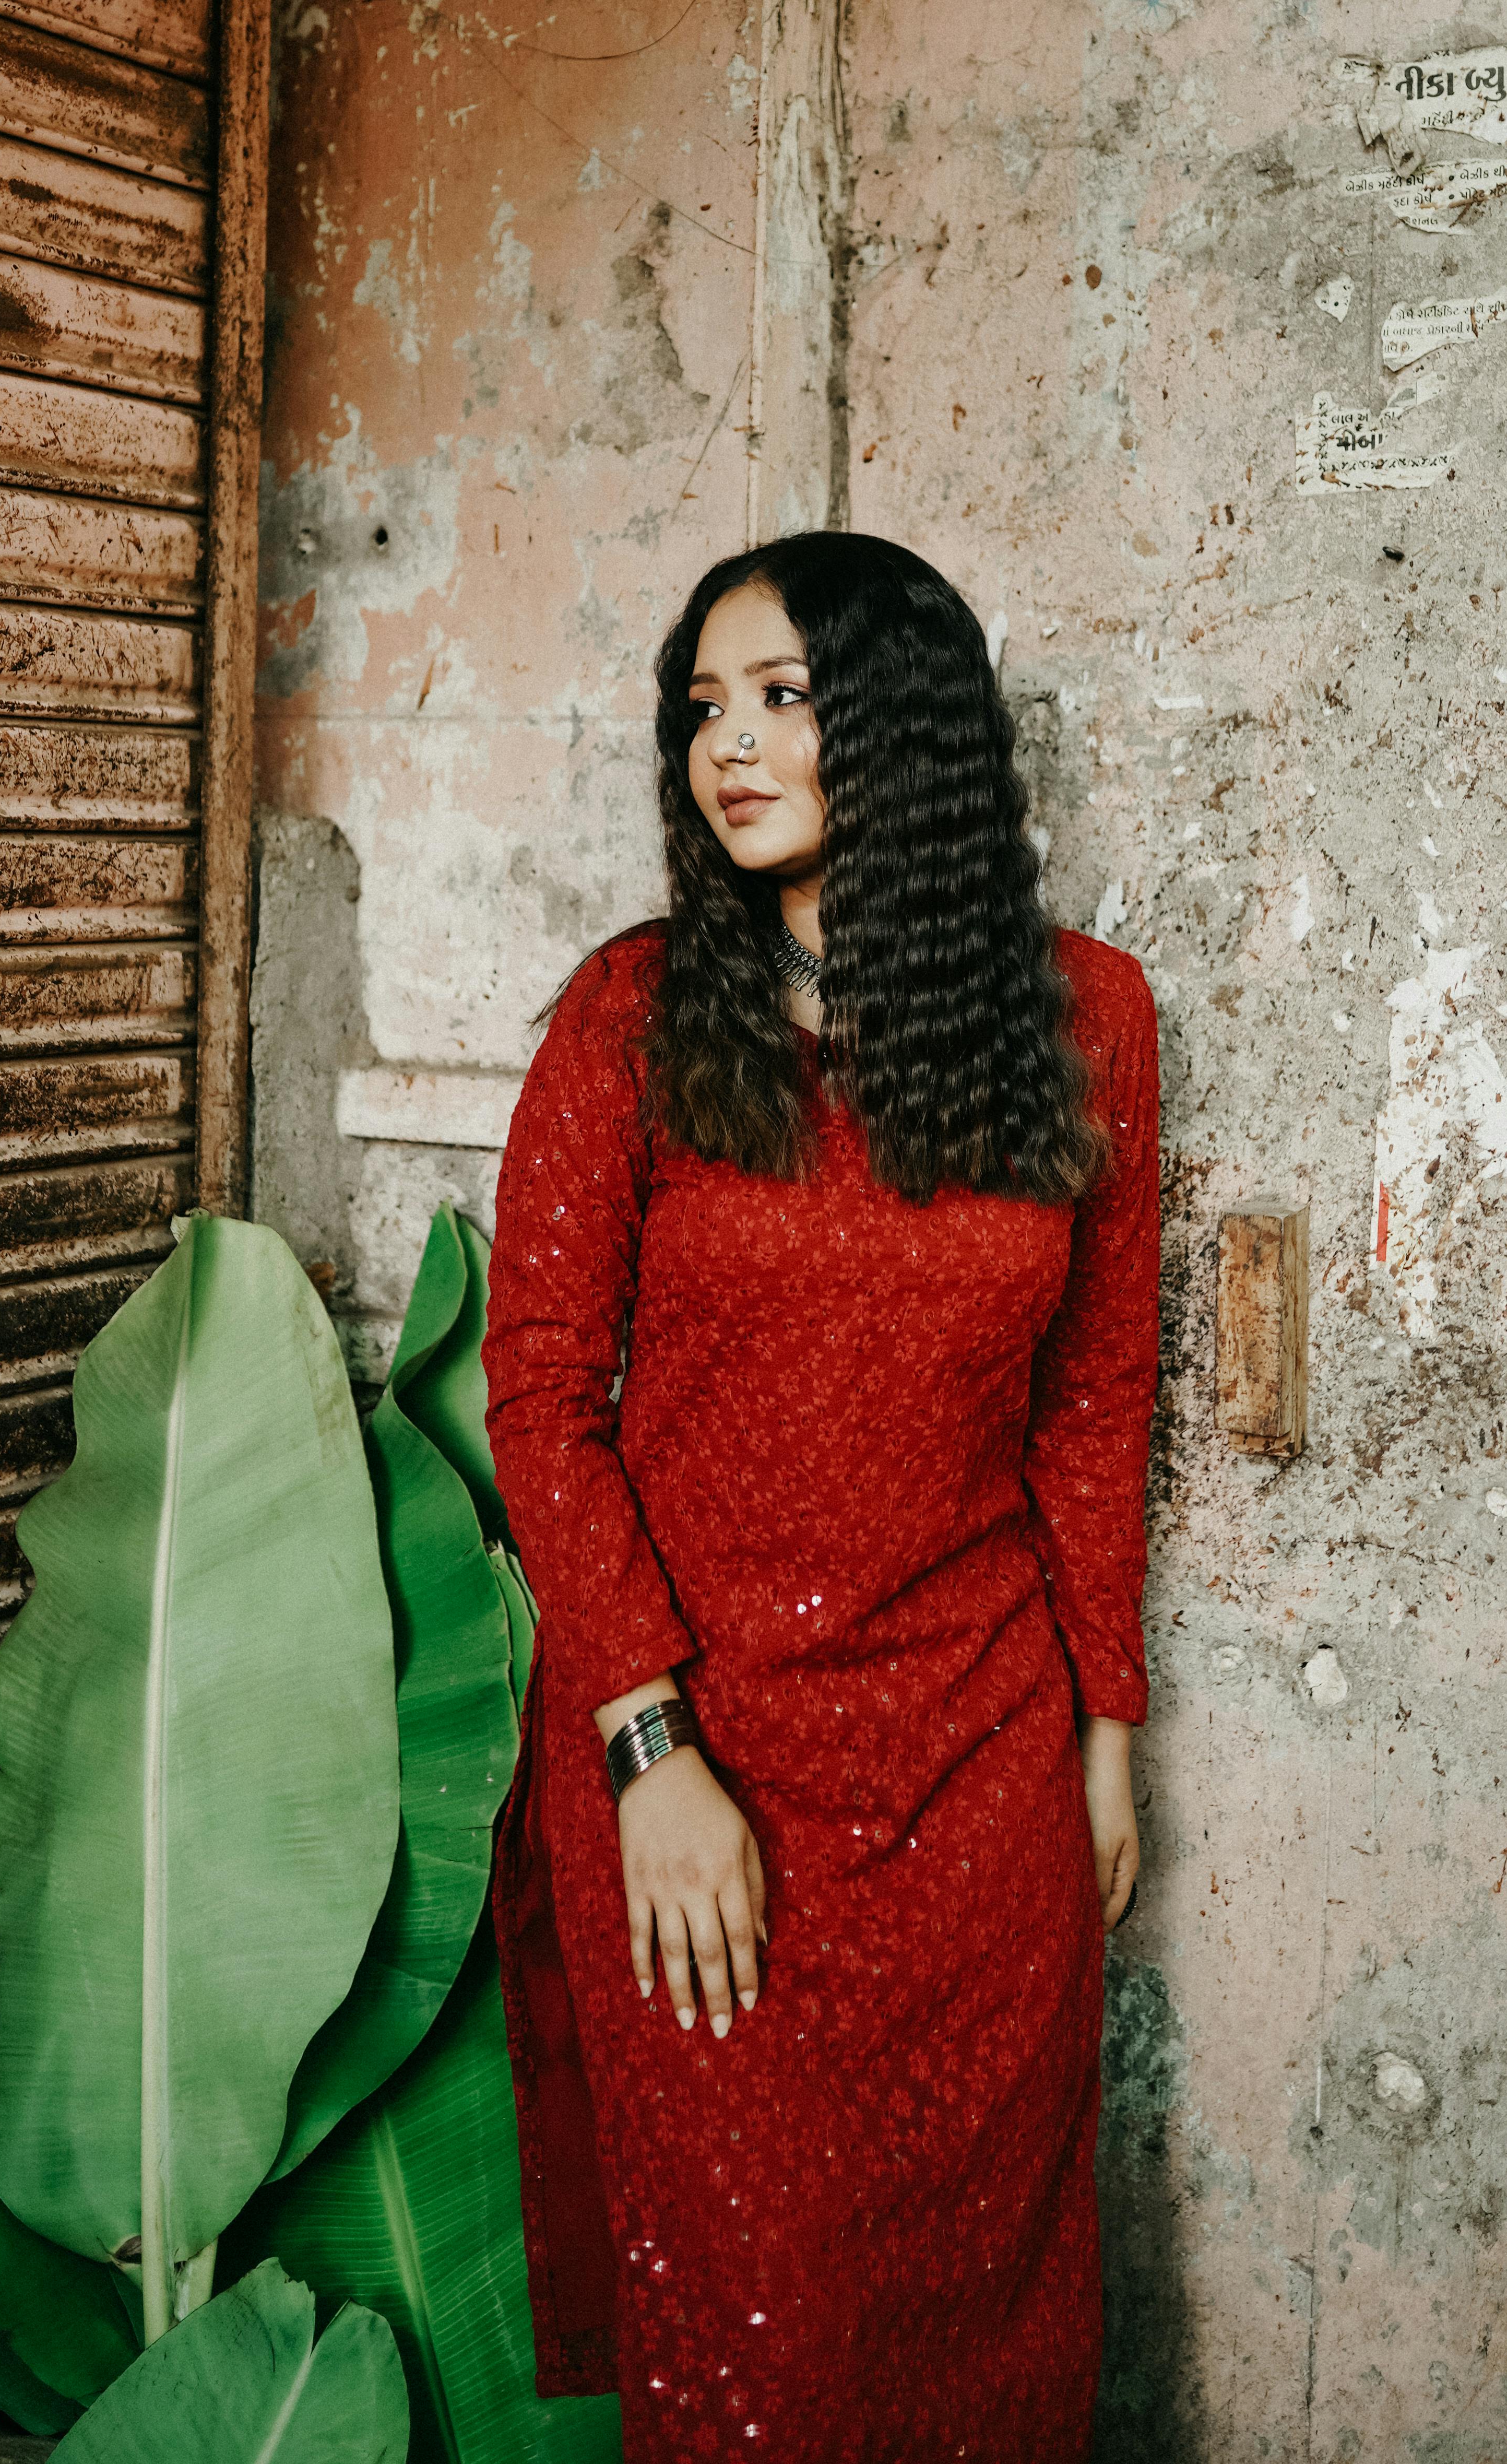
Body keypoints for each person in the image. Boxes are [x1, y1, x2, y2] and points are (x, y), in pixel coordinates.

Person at [484, 530, 1159, 2464]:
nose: (729, 747)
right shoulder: (634, 1017)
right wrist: (644, 1752)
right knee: (759, 2358)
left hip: (982, 1775)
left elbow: (1094, 1406)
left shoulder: (1090, 1020)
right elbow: (540, 1397)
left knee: (996, 2341)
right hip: (711, 1776)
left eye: (783, 698)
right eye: (704, 706)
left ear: (909, 730)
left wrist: (1107, 1734)